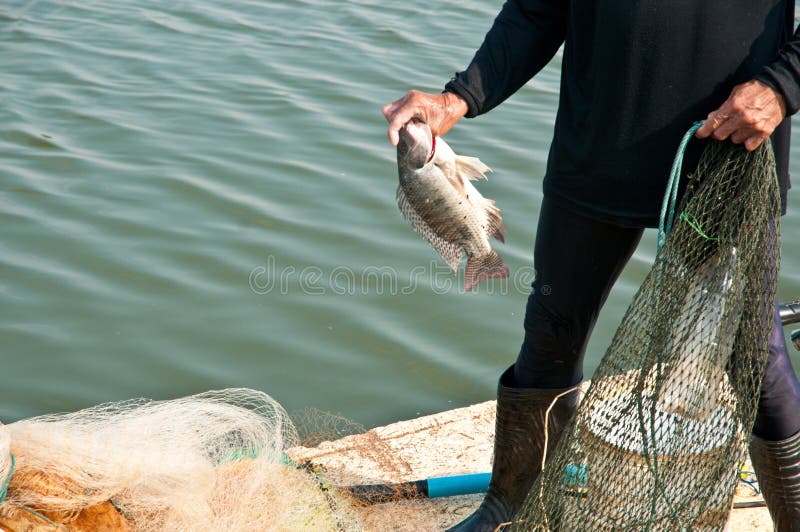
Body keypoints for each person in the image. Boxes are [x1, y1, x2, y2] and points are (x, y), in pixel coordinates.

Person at [382, 2, 800, 531]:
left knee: (756, 357)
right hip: (597, 152)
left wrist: (782, 85)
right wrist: (459, 96)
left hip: (730, 153)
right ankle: (509, 510)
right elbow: (538, 10)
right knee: (550, 334)